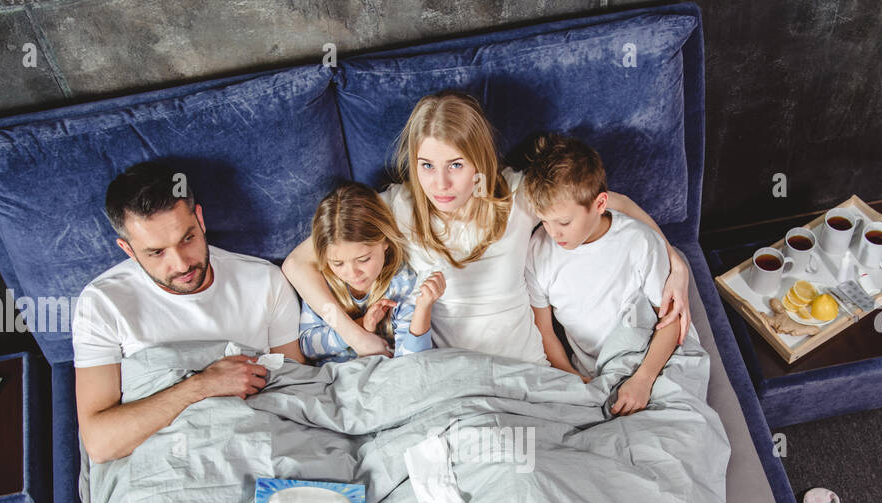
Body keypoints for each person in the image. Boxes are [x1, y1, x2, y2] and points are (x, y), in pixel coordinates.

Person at [283, 91, 692, 366]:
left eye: (455, 165)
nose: (439, 185)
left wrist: (678, 267)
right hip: (452, 372)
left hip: (525, 366)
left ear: (479, 161)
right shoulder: (397, 208)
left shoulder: (517, 195)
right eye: (427, 166)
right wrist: (350, 332)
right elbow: (297, 263)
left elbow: (613, 203)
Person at [72, 162, 304, 462]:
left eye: (187, 238)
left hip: (258, 447)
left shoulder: (265, 281)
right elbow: (101, 444)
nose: (181, 264)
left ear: (200, 220)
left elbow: (298, 387)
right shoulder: (102, 303)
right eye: (156, 252)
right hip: (166, 462)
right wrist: (203, 385)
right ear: (128, 250)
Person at [523, 134, 677, 415]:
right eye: (544, 220)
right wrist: (571, 376)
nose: (553, 232)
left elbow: (670, 321)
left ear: (600, 204)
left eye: (564, 222)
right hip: (587, 374)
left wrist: (643, 379)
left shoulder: (639, 242)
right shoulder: (538, 250)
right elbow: (543, 330)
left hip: (644, 359)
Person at [297, 181, 441, 365]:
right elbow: (308, 345)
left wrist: (423, 308)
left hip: (383, 376)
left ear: (385, 241)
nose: (352, 273)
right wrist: (361, 325)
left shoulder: (402, 282)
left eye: (363, 259)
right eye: (338, 263)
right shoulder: (322, 282)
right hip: (334, 379)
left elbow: (411, 359)